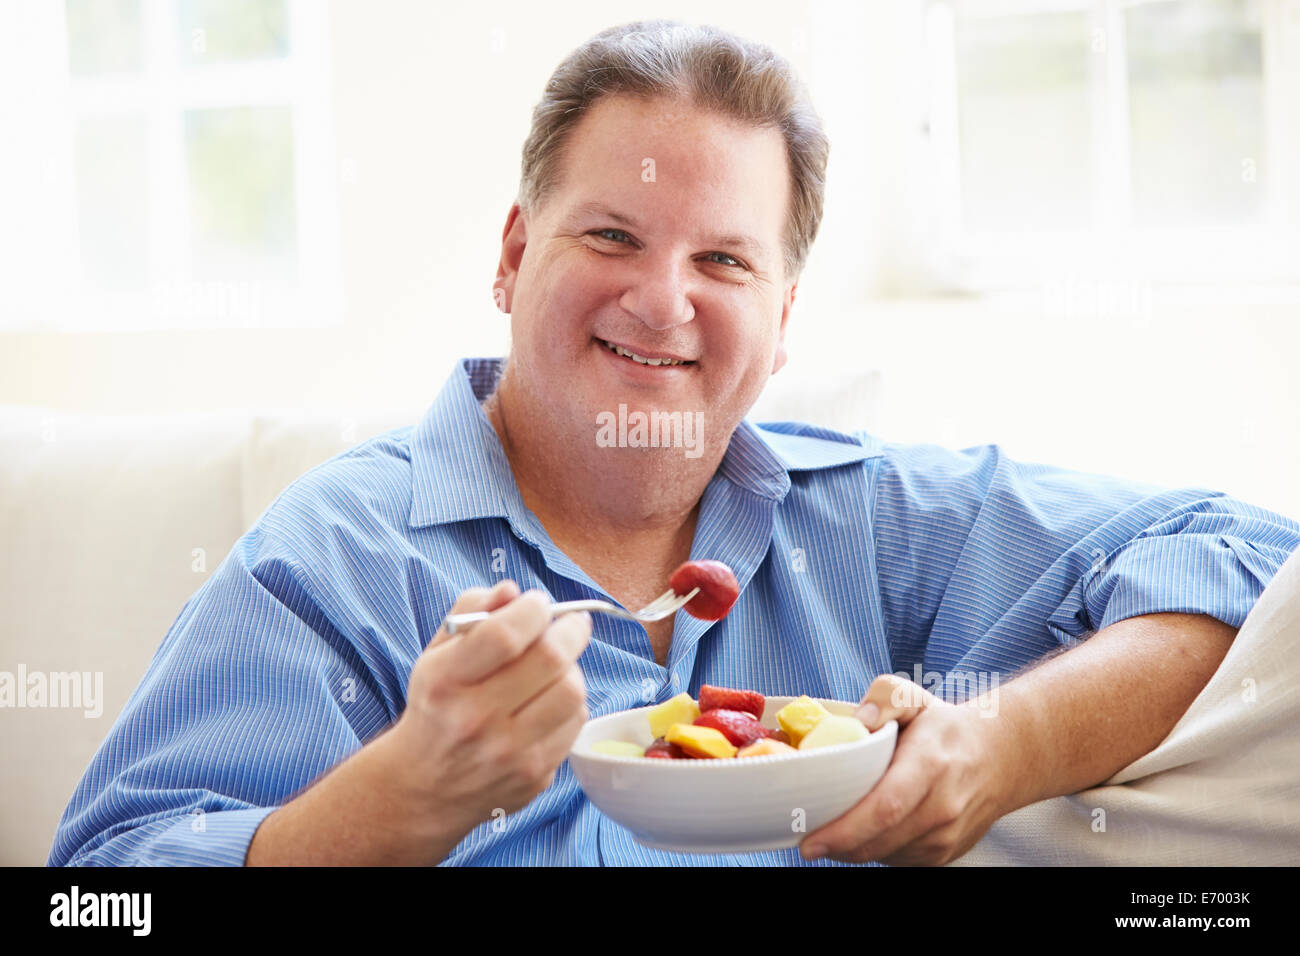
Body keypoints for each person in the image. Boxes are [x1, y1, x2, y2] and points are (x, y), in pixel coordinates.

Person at [50, 20, 1300, 867]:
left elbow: (1242, 554)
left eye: (721, 260)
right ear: (508, 255)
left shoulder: (870, 522)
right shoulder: (333, 556)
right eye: (609, 237)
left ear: (783, 318)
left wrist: (998, 744)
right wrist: (392, 803)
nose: (662, 301)